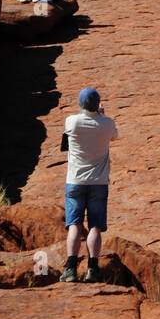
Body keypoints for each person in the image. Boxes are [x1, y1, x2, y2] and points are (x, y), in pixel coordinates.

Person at [61, 87, 118, 283]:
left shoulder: (71, 121)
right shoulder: (107, 124)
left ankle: (70, 269)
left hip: (75, 181)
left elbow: (67, 141)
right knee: (95, 226)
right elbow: (114, 136)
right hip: (99, 182)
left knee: (74, 225)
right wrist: (102, 116)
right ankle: (92, 269)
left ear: (80, 104)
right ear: (97, 104)